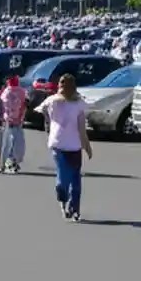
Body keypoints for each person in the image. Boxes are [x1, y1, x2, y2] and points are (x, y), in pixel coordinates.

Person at [37, 73, 93, 222]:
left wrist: (86, 145)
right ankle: (67, 203)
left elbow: (81, 128)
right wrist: (86, 146)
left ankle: (71, 206)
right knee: (70, 178)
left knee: (70, 177)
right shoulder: (66, 103)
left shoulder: (54, 102)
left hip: (64, 144)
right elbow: (82, 129)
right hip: (65, 145)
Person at [0, 75, 28, 173]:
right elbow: (24, 105)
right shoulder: (22, 92)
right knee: (18, 143)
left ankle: (2, 164)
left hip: (8, 121)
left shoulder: (6, 92)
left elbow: (2, 107)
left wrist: (3, 117)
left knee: (6, 144)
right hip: (17, 121)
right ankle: (14, 162)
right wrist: (21, 117)